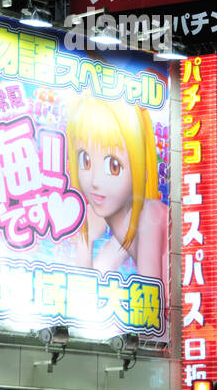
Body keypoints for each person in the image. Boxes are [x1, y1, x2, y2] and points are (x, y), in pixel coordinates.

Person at [67, 94, 168, 285]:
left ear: (141, 170)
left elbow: (152, 298)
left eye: (113, 166)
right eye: (85, 160)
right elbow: (86, 288)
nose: (95, 181)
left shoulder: (149, 217)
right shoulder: (124, 223)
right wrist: (85, 240)